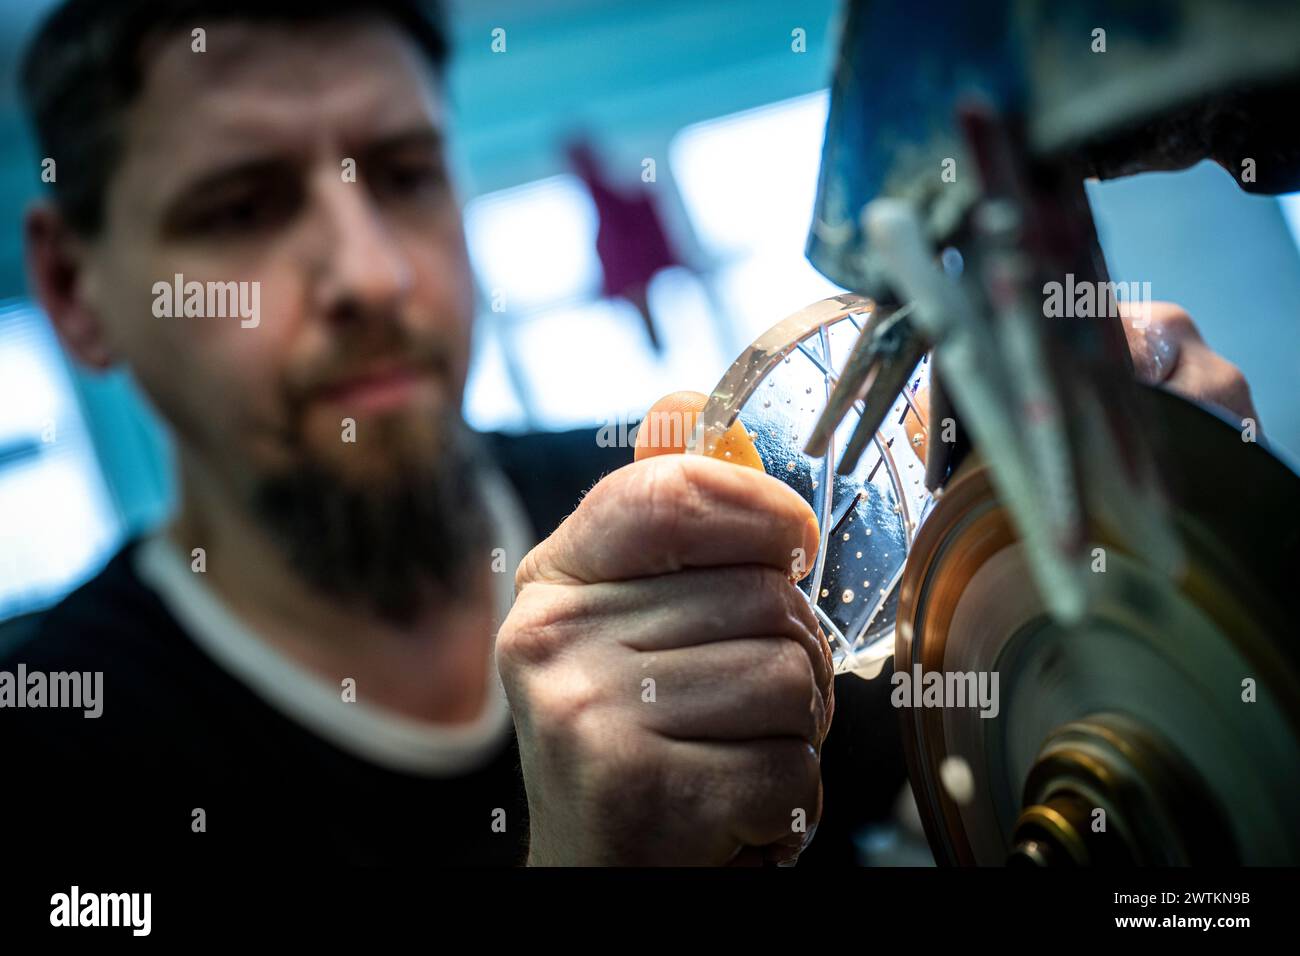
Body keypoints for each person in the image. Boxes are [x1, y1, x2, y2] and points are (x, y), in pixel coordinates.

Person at [0, 0, 1257, 866]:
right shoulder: (56, 768)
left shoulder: (709, 510)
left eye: (401, 173)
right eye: (240, 205)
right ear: (71, 291)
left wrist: (1175, 566)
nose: (370, 273)